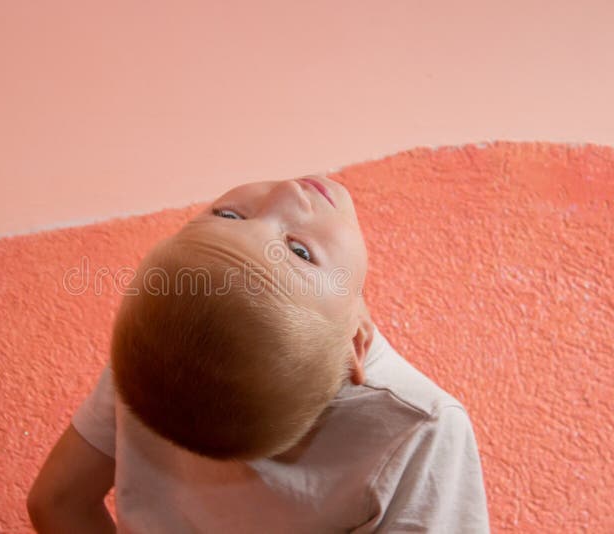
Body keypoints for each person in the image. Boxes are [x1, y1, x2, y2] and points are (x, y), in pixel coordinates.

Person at [27, 175, 490, 533]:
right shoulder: (420, 424)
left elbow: (57, 500)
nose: (287, 193)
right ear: (356, 342)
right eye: (300, 252)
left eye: (229, 217)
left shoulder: (158, 343)